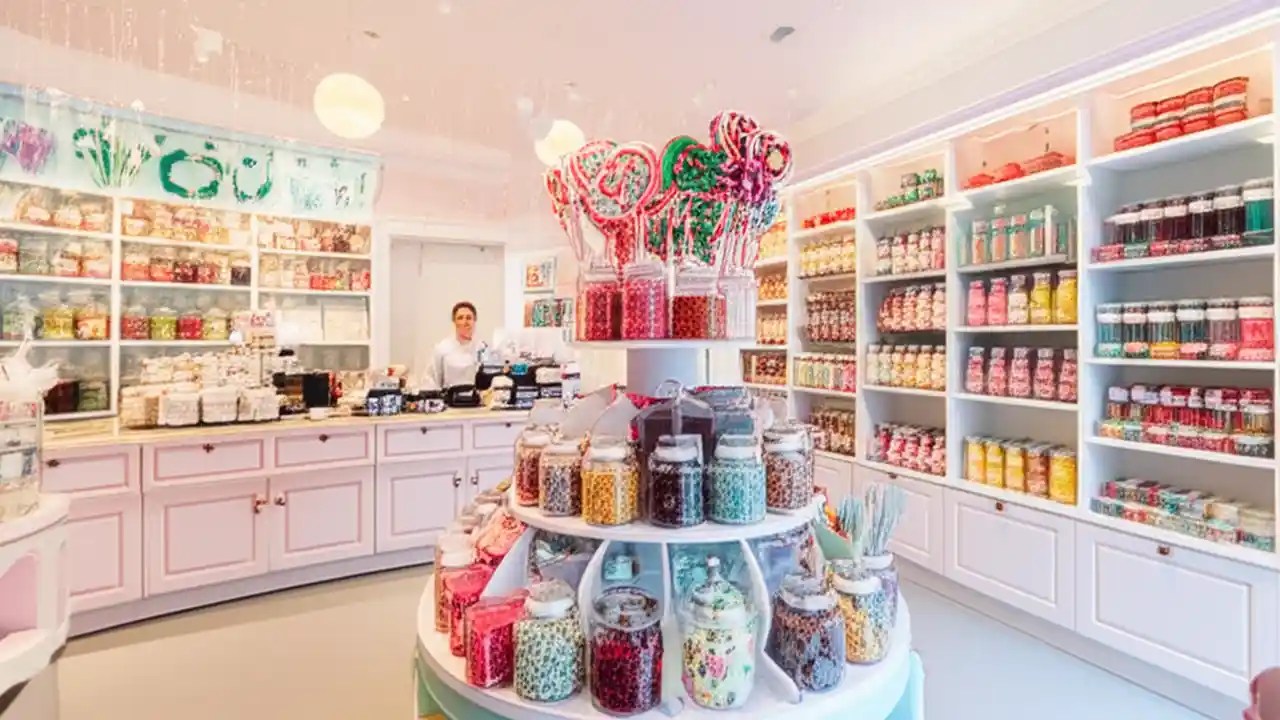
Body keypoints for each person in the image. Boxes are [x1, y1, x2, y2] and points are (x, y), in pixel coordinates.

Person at [417, 301, 486, 390]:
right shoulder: (442, 349)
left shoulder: (482, 348)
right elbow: (431, 380)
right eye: (460, 318)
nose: (465, 322)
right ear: (454, 321)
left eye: (469, 318)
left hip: (476, 401)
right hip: (449, 401)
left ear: (474, 320)